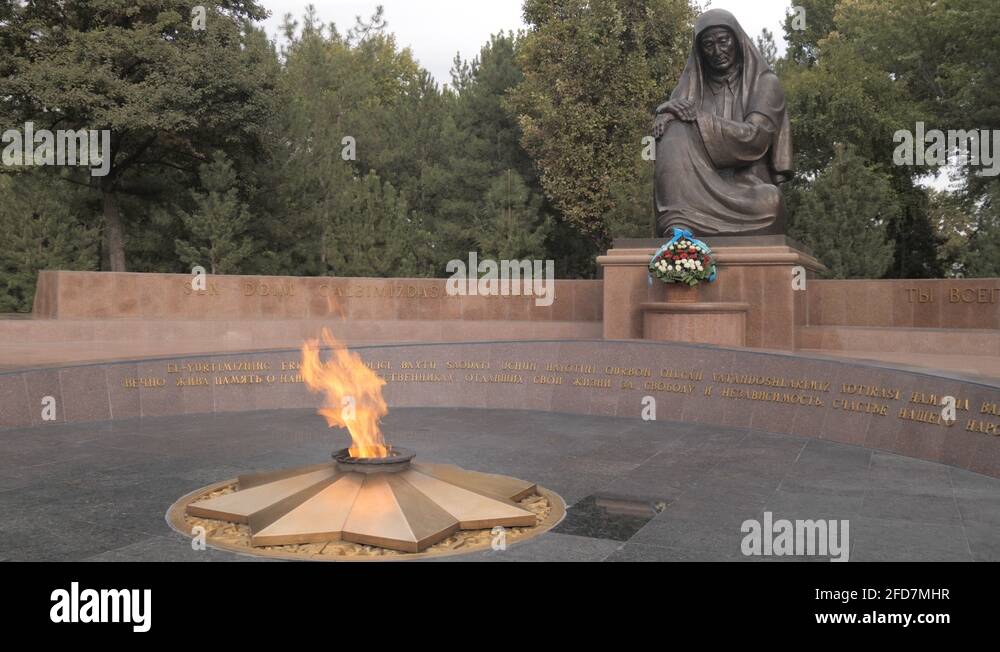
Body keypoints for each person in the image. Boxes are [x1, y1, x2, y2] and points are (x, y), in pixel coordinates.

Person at [653, 9, 793, 237]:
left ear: (737, 41)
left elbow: (754, 138)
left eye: (723, 41)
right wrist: (665, 113)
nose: (717, 51)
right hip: (694, 189)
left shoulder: (766, 83)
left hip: (746, 188)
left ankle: (689, 223)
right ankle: (678, 225)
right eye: (708, 45)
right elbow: (671, 125)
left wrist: (698, 117)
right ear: (700, 51)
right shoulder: (691, 87)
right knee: (674, 128)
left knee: (770, 201)